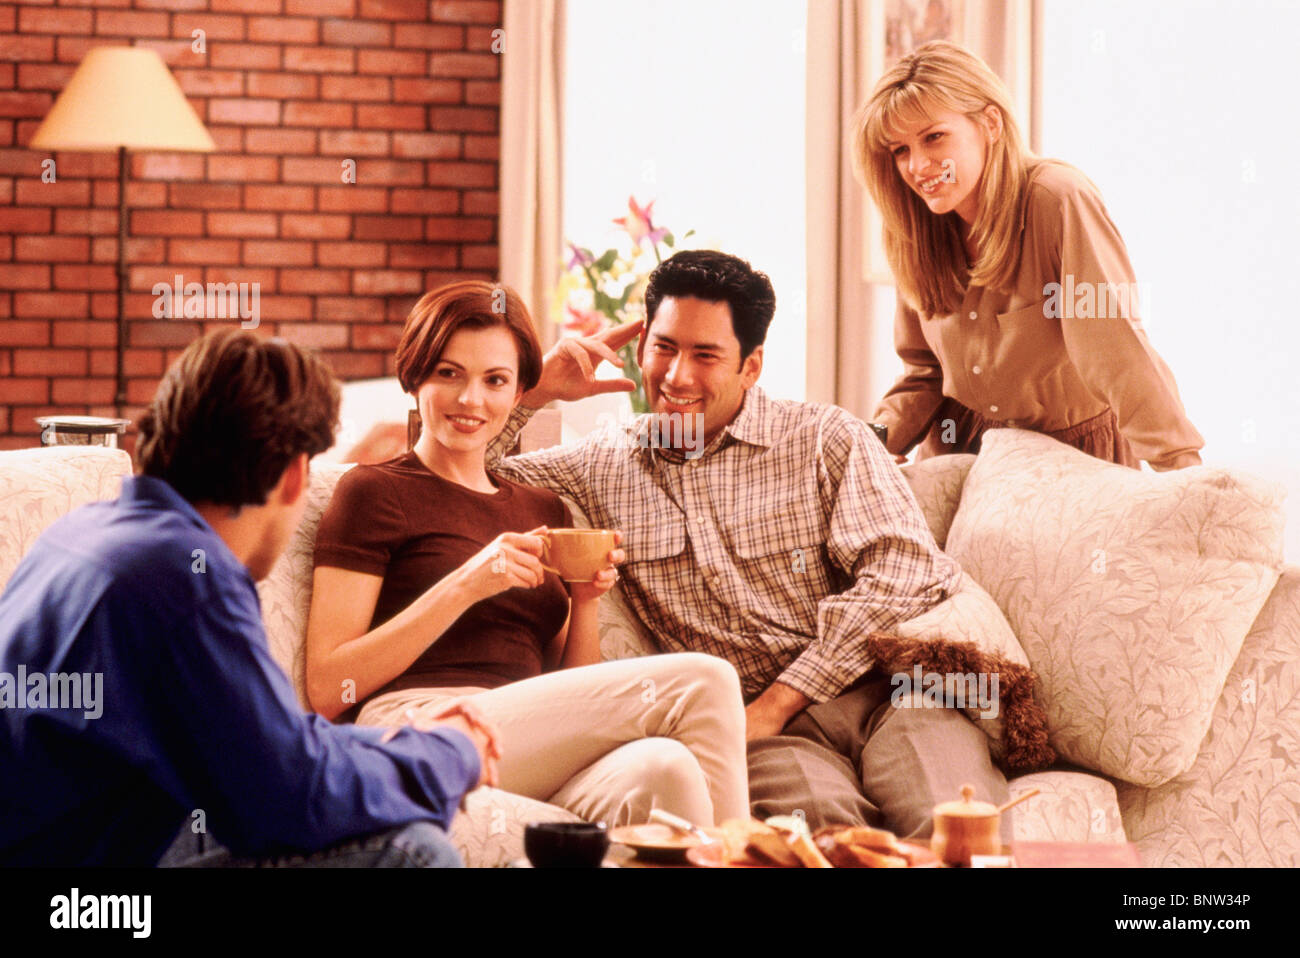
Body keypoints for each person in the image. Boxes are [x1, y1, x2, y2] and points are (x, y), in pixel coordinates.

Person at [483, 249, 1010, 836]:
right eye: (664, 348)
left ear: (751, 365)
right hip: (762, 734)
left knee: (951, 829)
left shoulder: (824, 438)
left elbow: (903, 573)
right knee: (814, 840)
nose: (678, 376)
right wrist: (531, 392)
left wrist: (779, 702)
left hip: (891, 695)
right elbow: (452, 475)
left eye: (706, 355)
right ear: (640, 350)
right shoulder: (602, 463)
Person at [0, 329, 494, 868]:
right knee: (408, 853)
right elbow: (293, 795)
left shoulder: (84, 531)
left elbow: (274, 749)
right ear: (293, 475)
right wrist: (453, 753)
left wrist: (405, 744)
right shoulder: (185, 575)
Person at [306, 281, 748, 828]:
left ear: (518, 394)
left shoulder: (540, 507)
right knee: (708, 680)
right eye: (449, 373)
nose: (471, 400)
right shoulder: (373, 492)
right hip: (419, 728)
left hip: (528, 738)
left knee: (666, 770)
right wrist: (465, 584)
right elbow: (328, 689)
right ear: (415, 376)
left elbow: (567, 683)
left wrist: (584, 600)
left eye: (495, 380)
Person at [853, 40, 1204, 470]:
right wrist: (868, 446)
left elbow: (1117, 349)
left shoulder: (1057, 200)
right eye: (900, 150)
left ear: (990, 124)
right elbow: (924, 373)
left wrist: (1184, 474)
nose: (918, 166)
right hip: (961, 459)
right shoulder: (913, 227)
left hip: (1073, 463)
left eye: (934, 137)